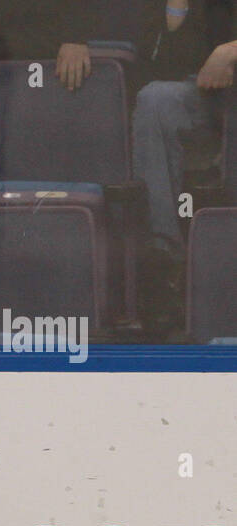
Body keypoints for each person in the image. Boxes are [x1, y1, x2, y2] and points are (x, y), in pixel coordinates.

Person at [131, 0, 237, 333]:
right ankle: (164, 259)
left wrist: (229, 50)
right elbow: (163, 64)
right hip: (205, 100)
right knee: (155, 99)